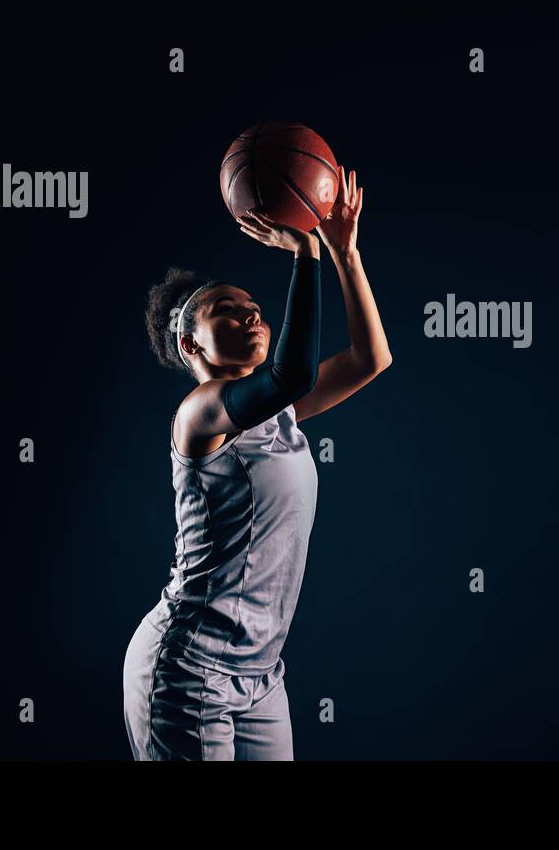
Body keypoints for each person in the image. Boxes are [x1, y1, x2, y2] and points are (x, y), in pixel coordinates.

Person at [124, 166, 391, 759]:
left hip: (261, 674)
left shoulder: (281, 411)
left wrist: (344, 253)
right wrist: (304, 253)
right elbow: (291, 373)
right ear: (192, 345)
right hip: (188, 669)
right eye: (227, 309)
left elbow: (372, 358)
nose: (252, 315)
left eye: (255, 308)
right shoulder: (199, 414)